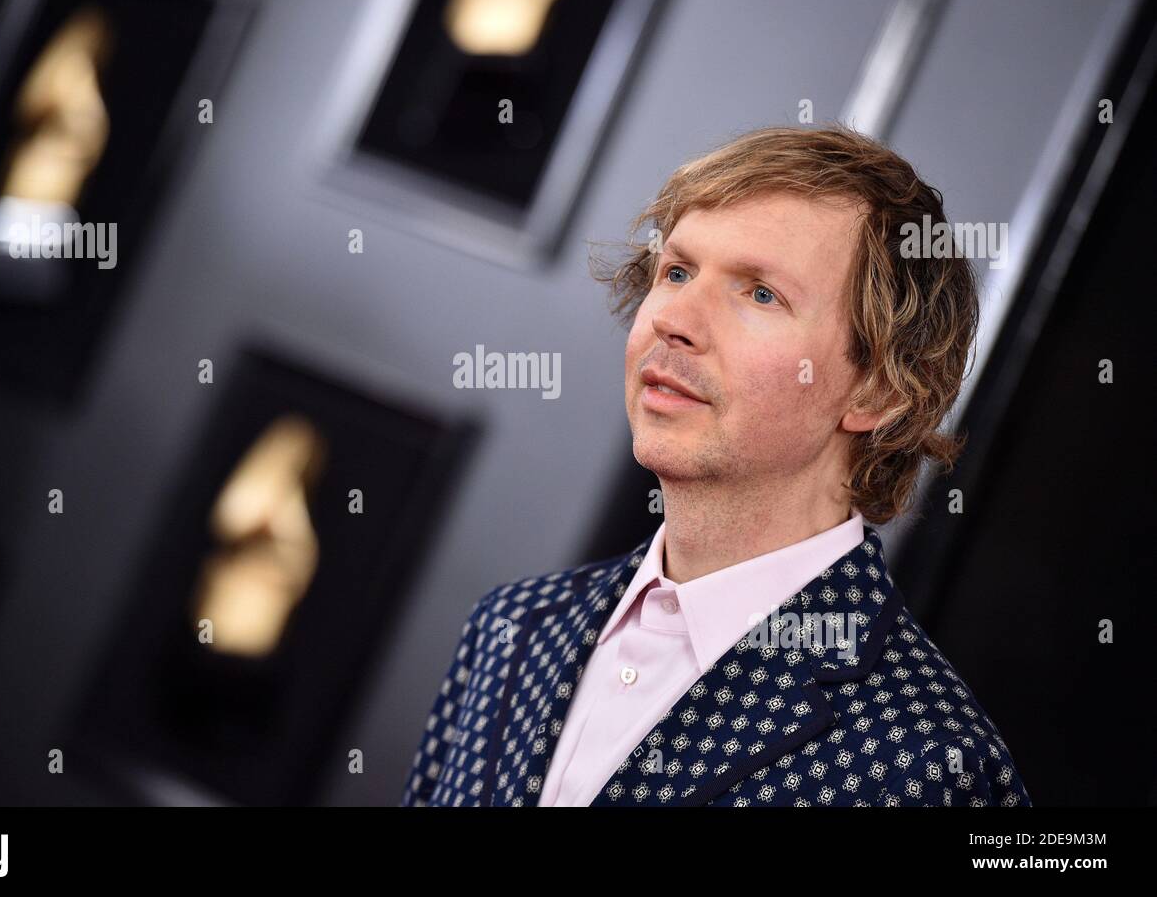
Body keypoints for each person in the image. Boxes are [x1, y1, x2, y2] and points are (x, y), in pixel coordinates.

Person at [401, 124, 1030, 807]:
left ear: (878, 391)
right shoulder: (512, 627)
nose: (675, 319)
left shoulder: (929, 769)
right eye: (676, 271)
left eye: (760, 293)